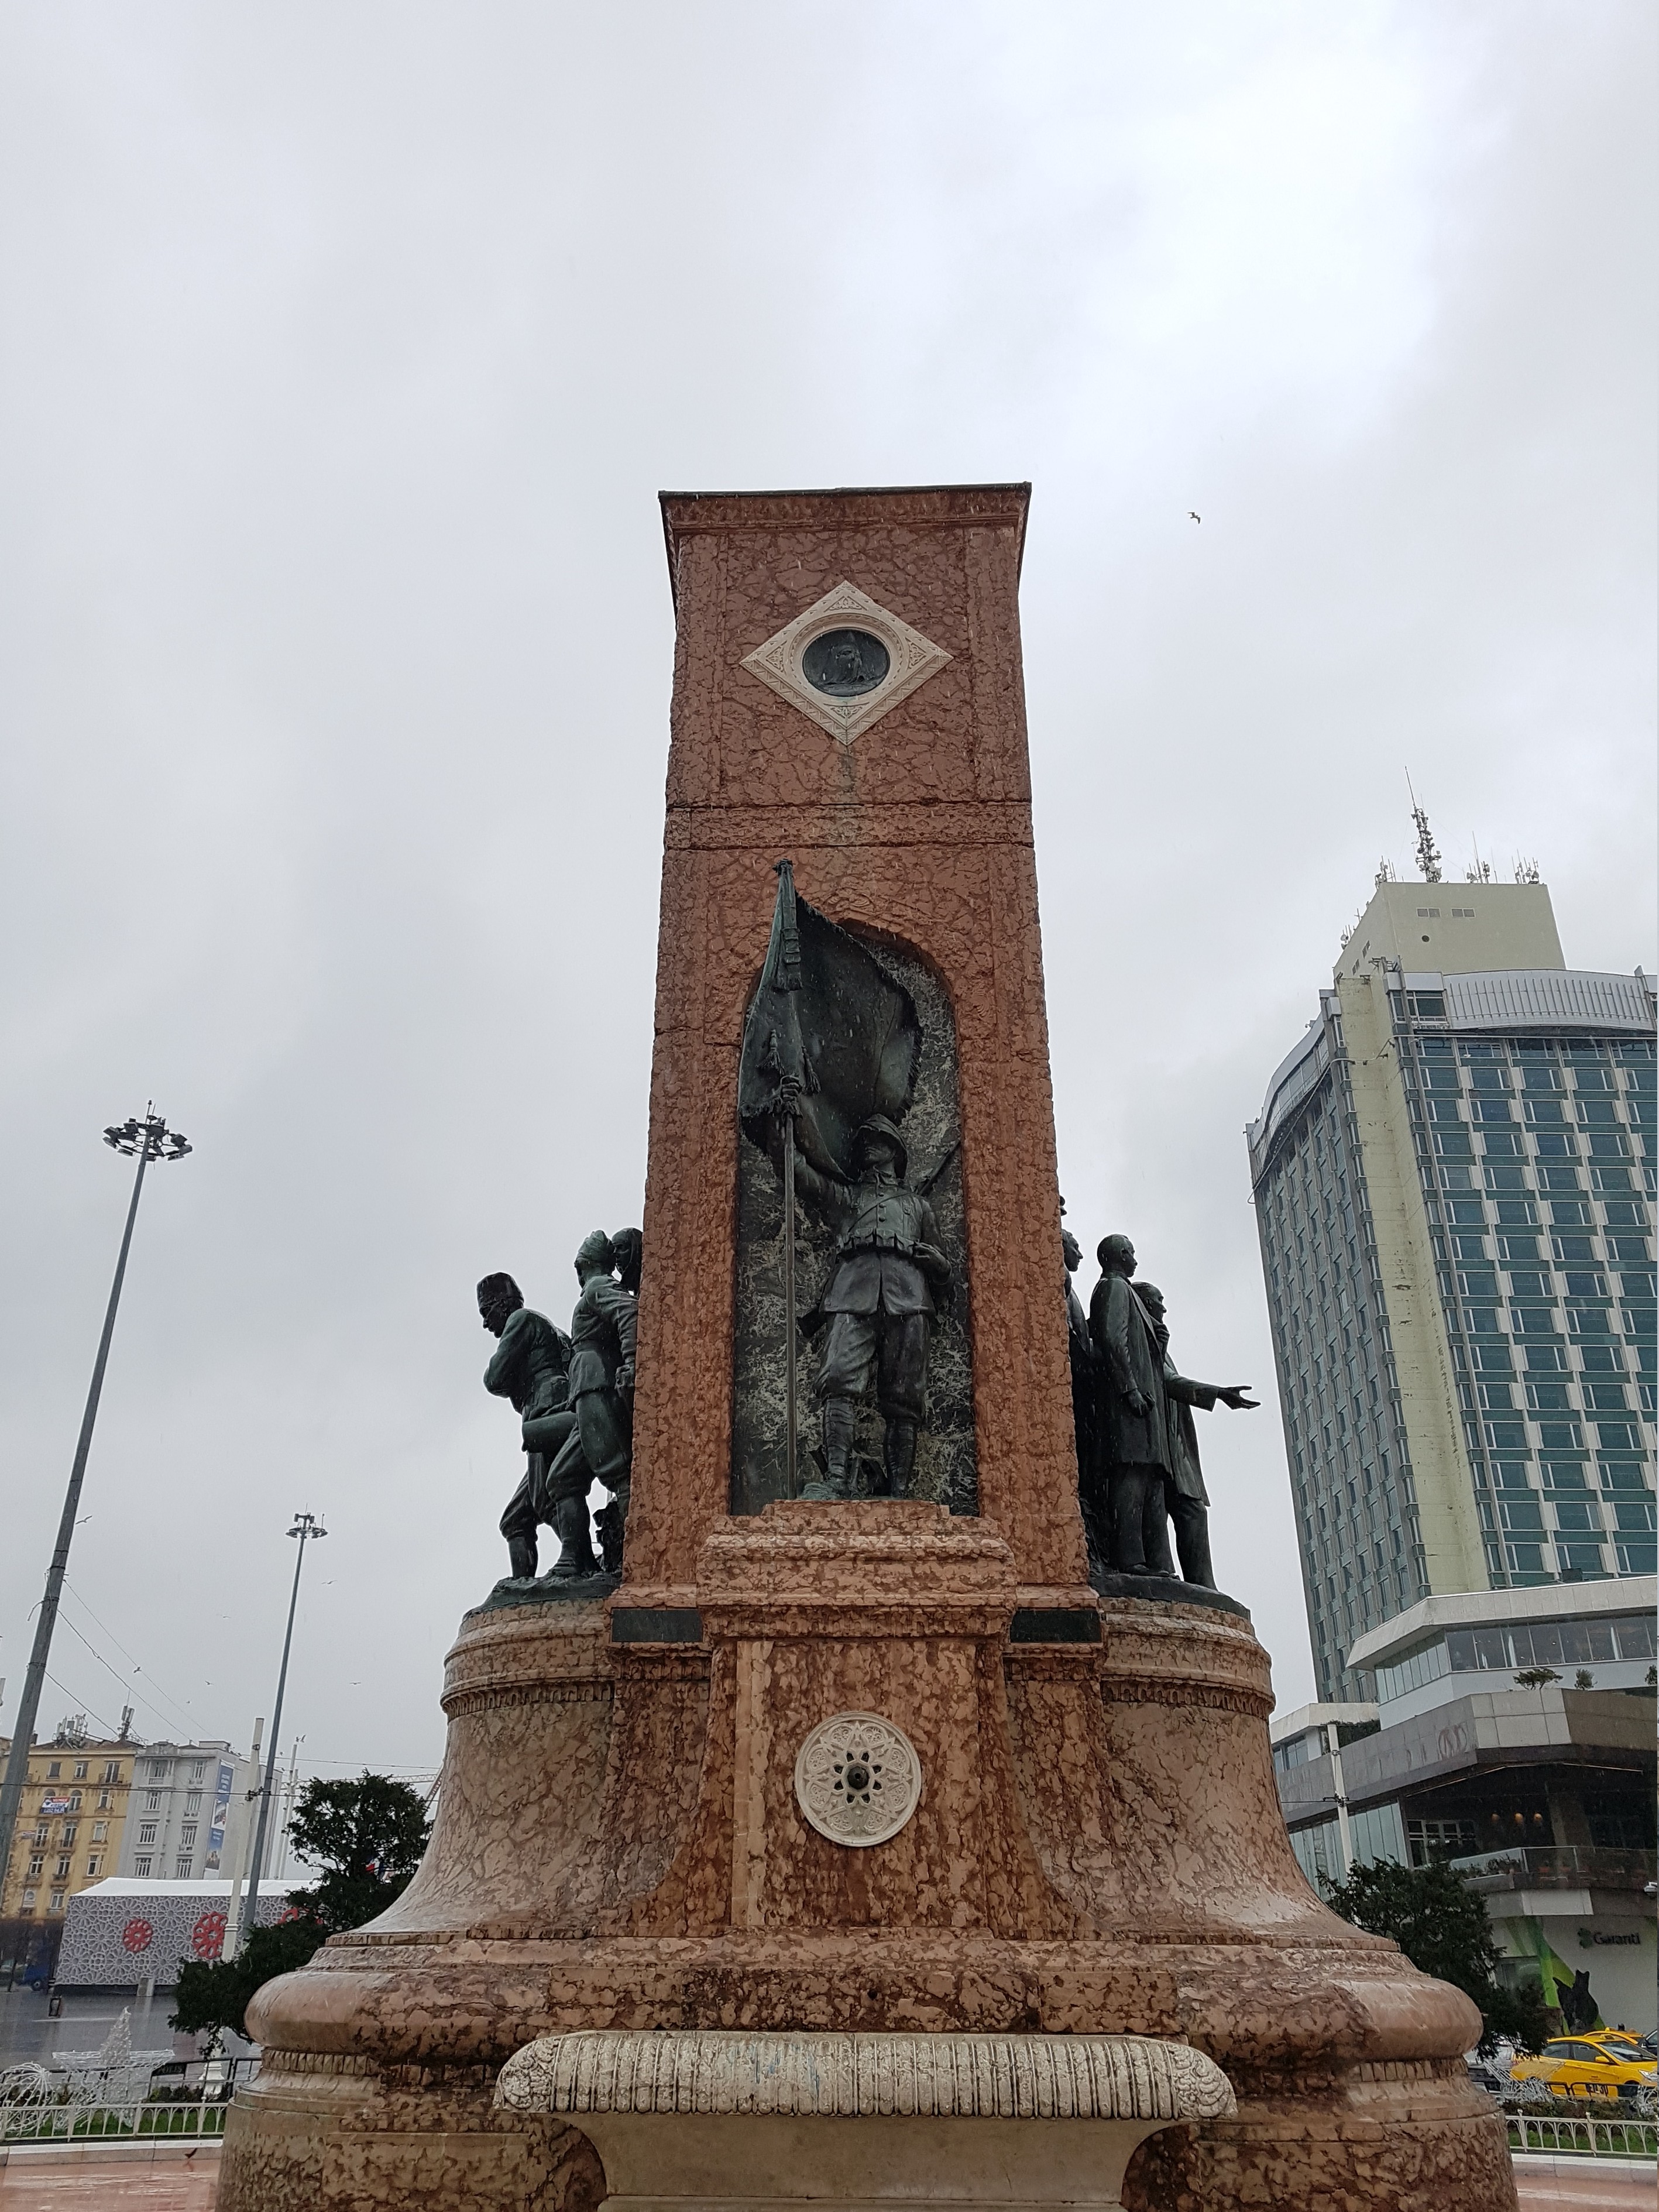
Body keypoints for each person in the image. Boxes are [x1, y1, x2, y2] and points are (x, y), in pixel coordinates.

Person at [776, 1112, 952, 1501]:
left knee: (904, 1398)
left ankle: (900, 1489)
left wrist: (937, 1264)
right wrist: (782, 1129)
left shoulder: (918, 1207)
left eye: (876, 1139)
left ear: (894, 1150)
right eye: (864, 1140)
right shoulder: (849, 1197)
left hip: (908, 1296)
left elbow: (944, 1270)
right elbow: (802, 1176)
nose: (867, 1144)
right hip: (852, 1291)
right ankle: (837, 1478)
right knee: (837, 1379)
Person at [1132, 1281, 1257, 1589]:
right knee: (1163, 1513)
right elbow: (1169, 1381)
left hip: (1174, 1448)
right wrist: (1218, 1393)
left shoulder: (1154, 1343)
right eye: (1158, 1301)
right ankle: (1173, 1578)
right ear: (1146, 1306)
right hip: (1157, 1446)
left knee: (1192, 1512)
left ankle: (1202, 1585)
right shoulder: (1141, 1341)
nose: (1163, 1307)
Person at [531, 1231, 638, 1576]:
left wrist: (634, 1362)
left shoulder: (597, 1287)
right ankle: (576, 1559)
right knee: (563, 1478)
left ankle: (641, 1555)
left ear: (584, 1265)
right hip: (585, 1392)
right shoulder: (595, 1289)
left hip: (597, 1386)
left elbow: (629, 1311)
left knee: (619, 1473)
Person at [479, 1272, 573, 1584]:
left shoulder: (520, 1320)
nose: (485, 1324)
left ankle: (581, 1560)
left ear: (502, 1305)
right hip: (554, 1409)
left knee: (545, 1498)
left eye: (486, 1312)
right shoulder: (549, 1329)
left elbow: (494, 1379)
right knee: (516, 1520)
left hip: (545, 1410)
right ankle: (522, 1587)